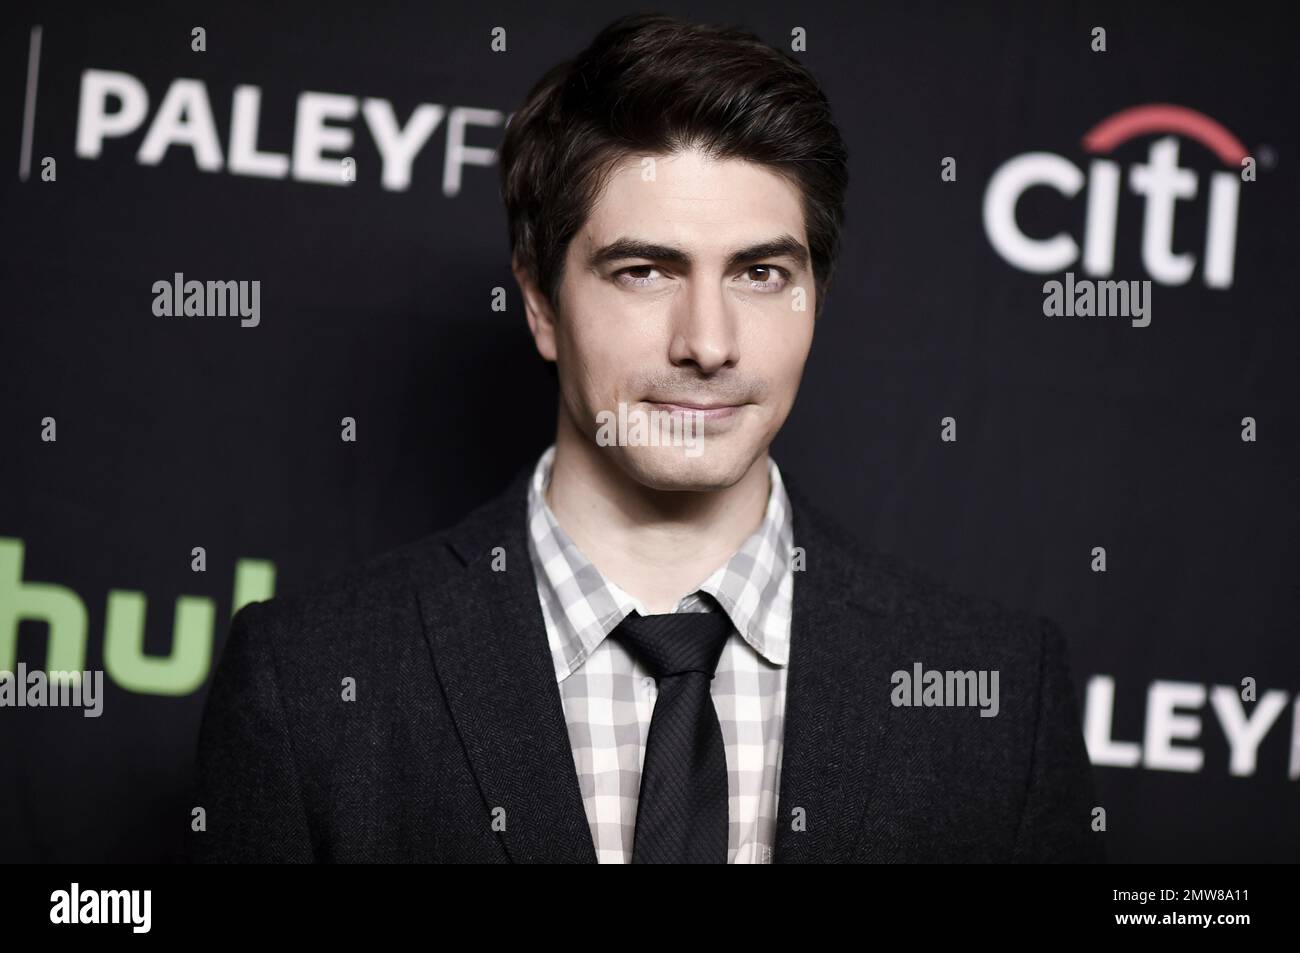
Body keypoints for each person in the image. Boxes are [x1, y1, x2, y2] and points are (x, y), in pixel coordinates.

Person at [192, 13, 1102, 864]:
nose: (707, 342)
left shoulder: (997, 695)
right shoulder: (310, 683)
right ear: (542, 301)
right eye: (642, 270)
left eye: (759, 272)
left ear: (815, 296)